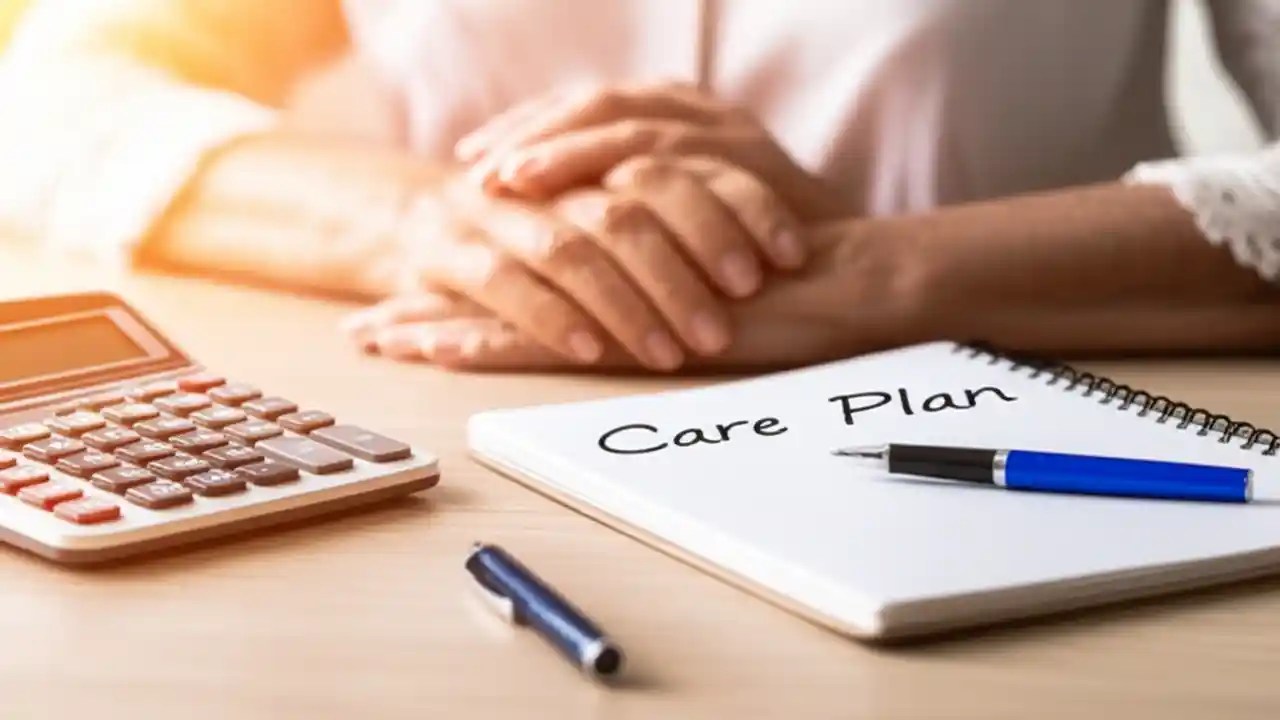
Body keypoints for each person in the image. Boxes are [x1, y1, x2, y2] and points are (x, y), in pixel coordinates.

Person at [1, 1, 1278, 373]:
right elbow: (51, 92)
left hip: (1034, 431)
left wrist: (884, 275)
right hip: (465, 443)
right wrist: (432, 223)